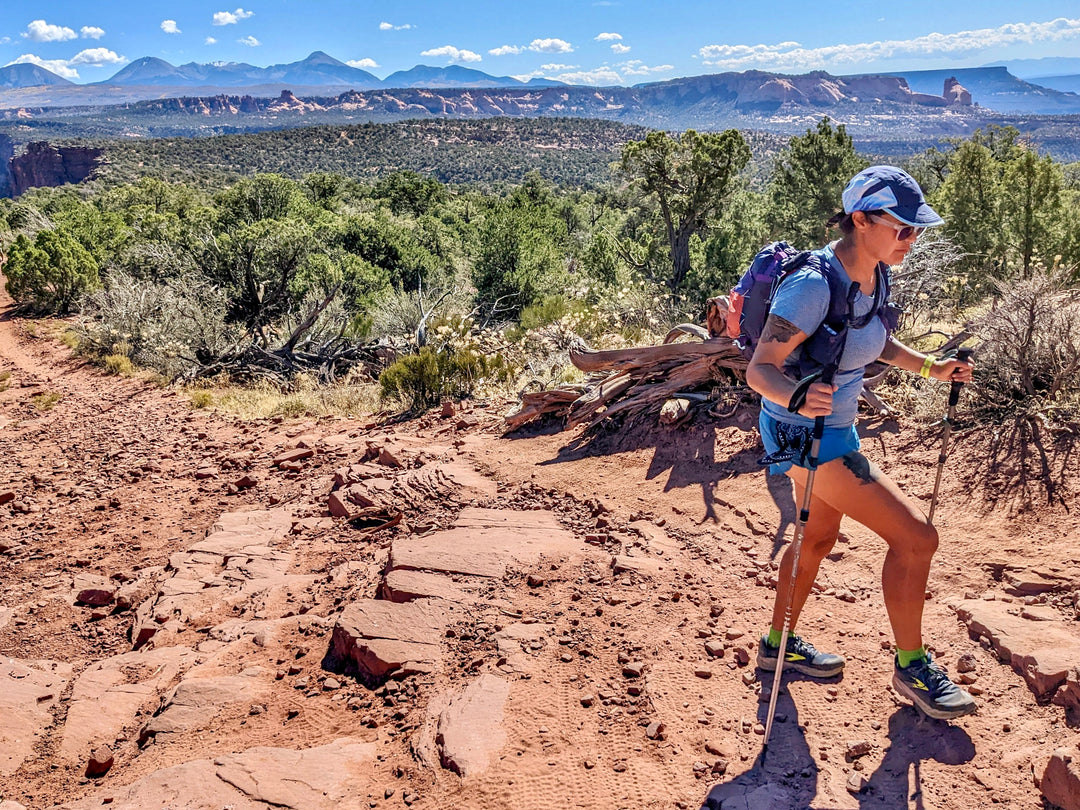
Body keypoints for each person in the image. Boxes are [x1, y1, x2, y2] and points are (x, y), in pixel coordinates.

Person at [746, 165, 976, 720]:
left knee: (817, 540)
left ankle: (778, 648)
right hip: (806, 433)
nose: (911, 240)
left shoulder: (874, 274)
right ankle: (912, 666)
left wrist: (931, 368)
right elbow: (761, 370)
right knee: (918, 539)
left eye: (916, 230)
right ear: (861, 219)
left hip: (835, 426)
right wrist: (797, 396)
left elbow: (874, 340)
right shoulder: (812, 284)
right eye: (903, 228)